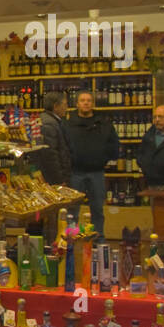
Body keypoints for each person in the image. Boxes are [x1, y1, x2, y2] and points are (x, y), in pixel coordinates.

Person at [63, 91, 120, 239]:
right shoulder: (68, 124)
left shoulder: (103, 123)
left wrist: (104, 159)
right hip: (75, 172)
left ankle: (98, 240)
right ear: (77, 104)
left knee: (97, 210)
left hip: (97, 172)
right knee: (73, 210)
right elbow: (63, 146)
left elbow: (113, 144)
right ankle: (71, 240)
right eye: (82, 100)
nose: (86, 103)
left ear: (93, 104)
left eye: (89, 100)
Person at [35, 90, 72, 185]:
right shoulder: (49, 124)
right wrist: (59, 179)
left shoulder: (49, 120)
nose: (66, 108)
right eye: (65, 104)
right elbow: (50, 155)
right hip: (52, 179)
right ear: (55, 106)